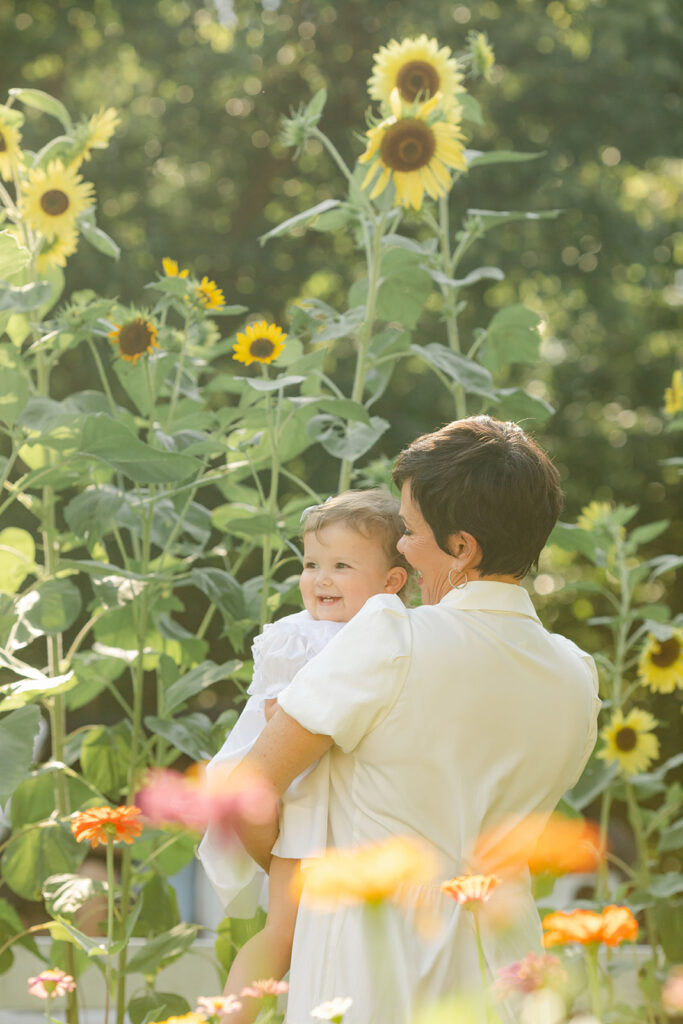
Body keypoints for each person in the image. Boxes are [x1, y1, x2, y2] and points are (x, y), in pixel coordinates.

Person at [232, 416, 601, 1024]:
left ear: (462, 547)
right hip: (509, 977)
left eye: (410, 531)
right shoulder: (576, 673)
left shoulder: (391, 636)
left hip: (372, 966)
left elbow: (251, 790)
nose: (400, 547)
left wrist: (295, 876)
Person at [199, 490, 409, 1023]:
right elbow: (282, 721)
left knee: (361, 937)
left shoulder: (397, 637)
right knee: (284, 933)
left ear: (391, 583)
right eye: (311, 564)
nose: (321, 579)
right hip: (304, 804)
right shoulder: (300, 636)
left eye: (341, 566)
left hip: (356, 813)